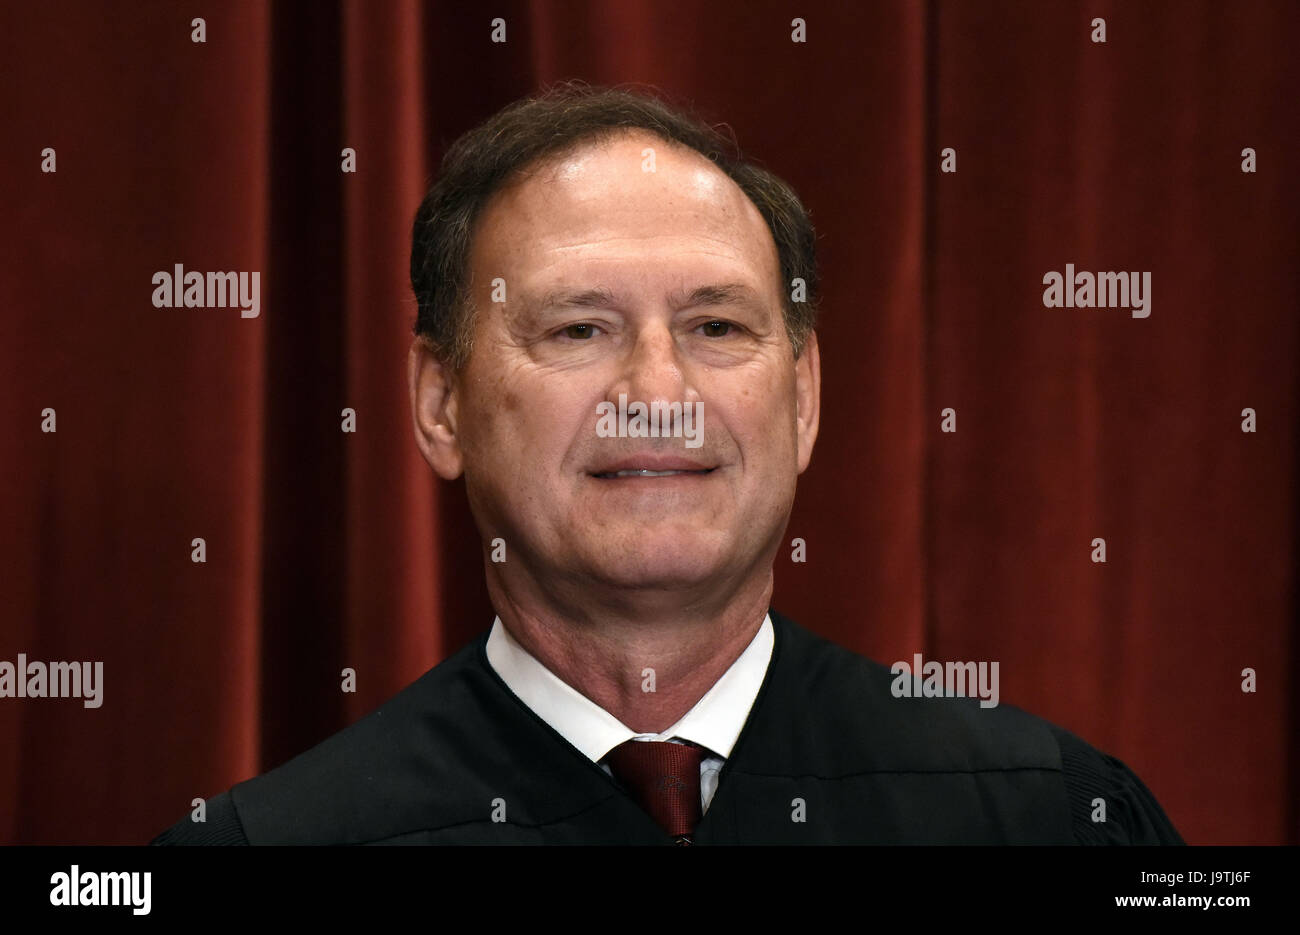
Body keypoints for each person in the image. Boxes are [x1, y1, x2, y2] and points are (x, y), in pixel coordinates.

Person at [152, 83, 1183, 845]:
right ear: (441, 404)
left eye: (718, 325)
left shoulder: (1057, 815)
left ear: (805, 395)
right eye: (576, 328)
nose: (658, 390)